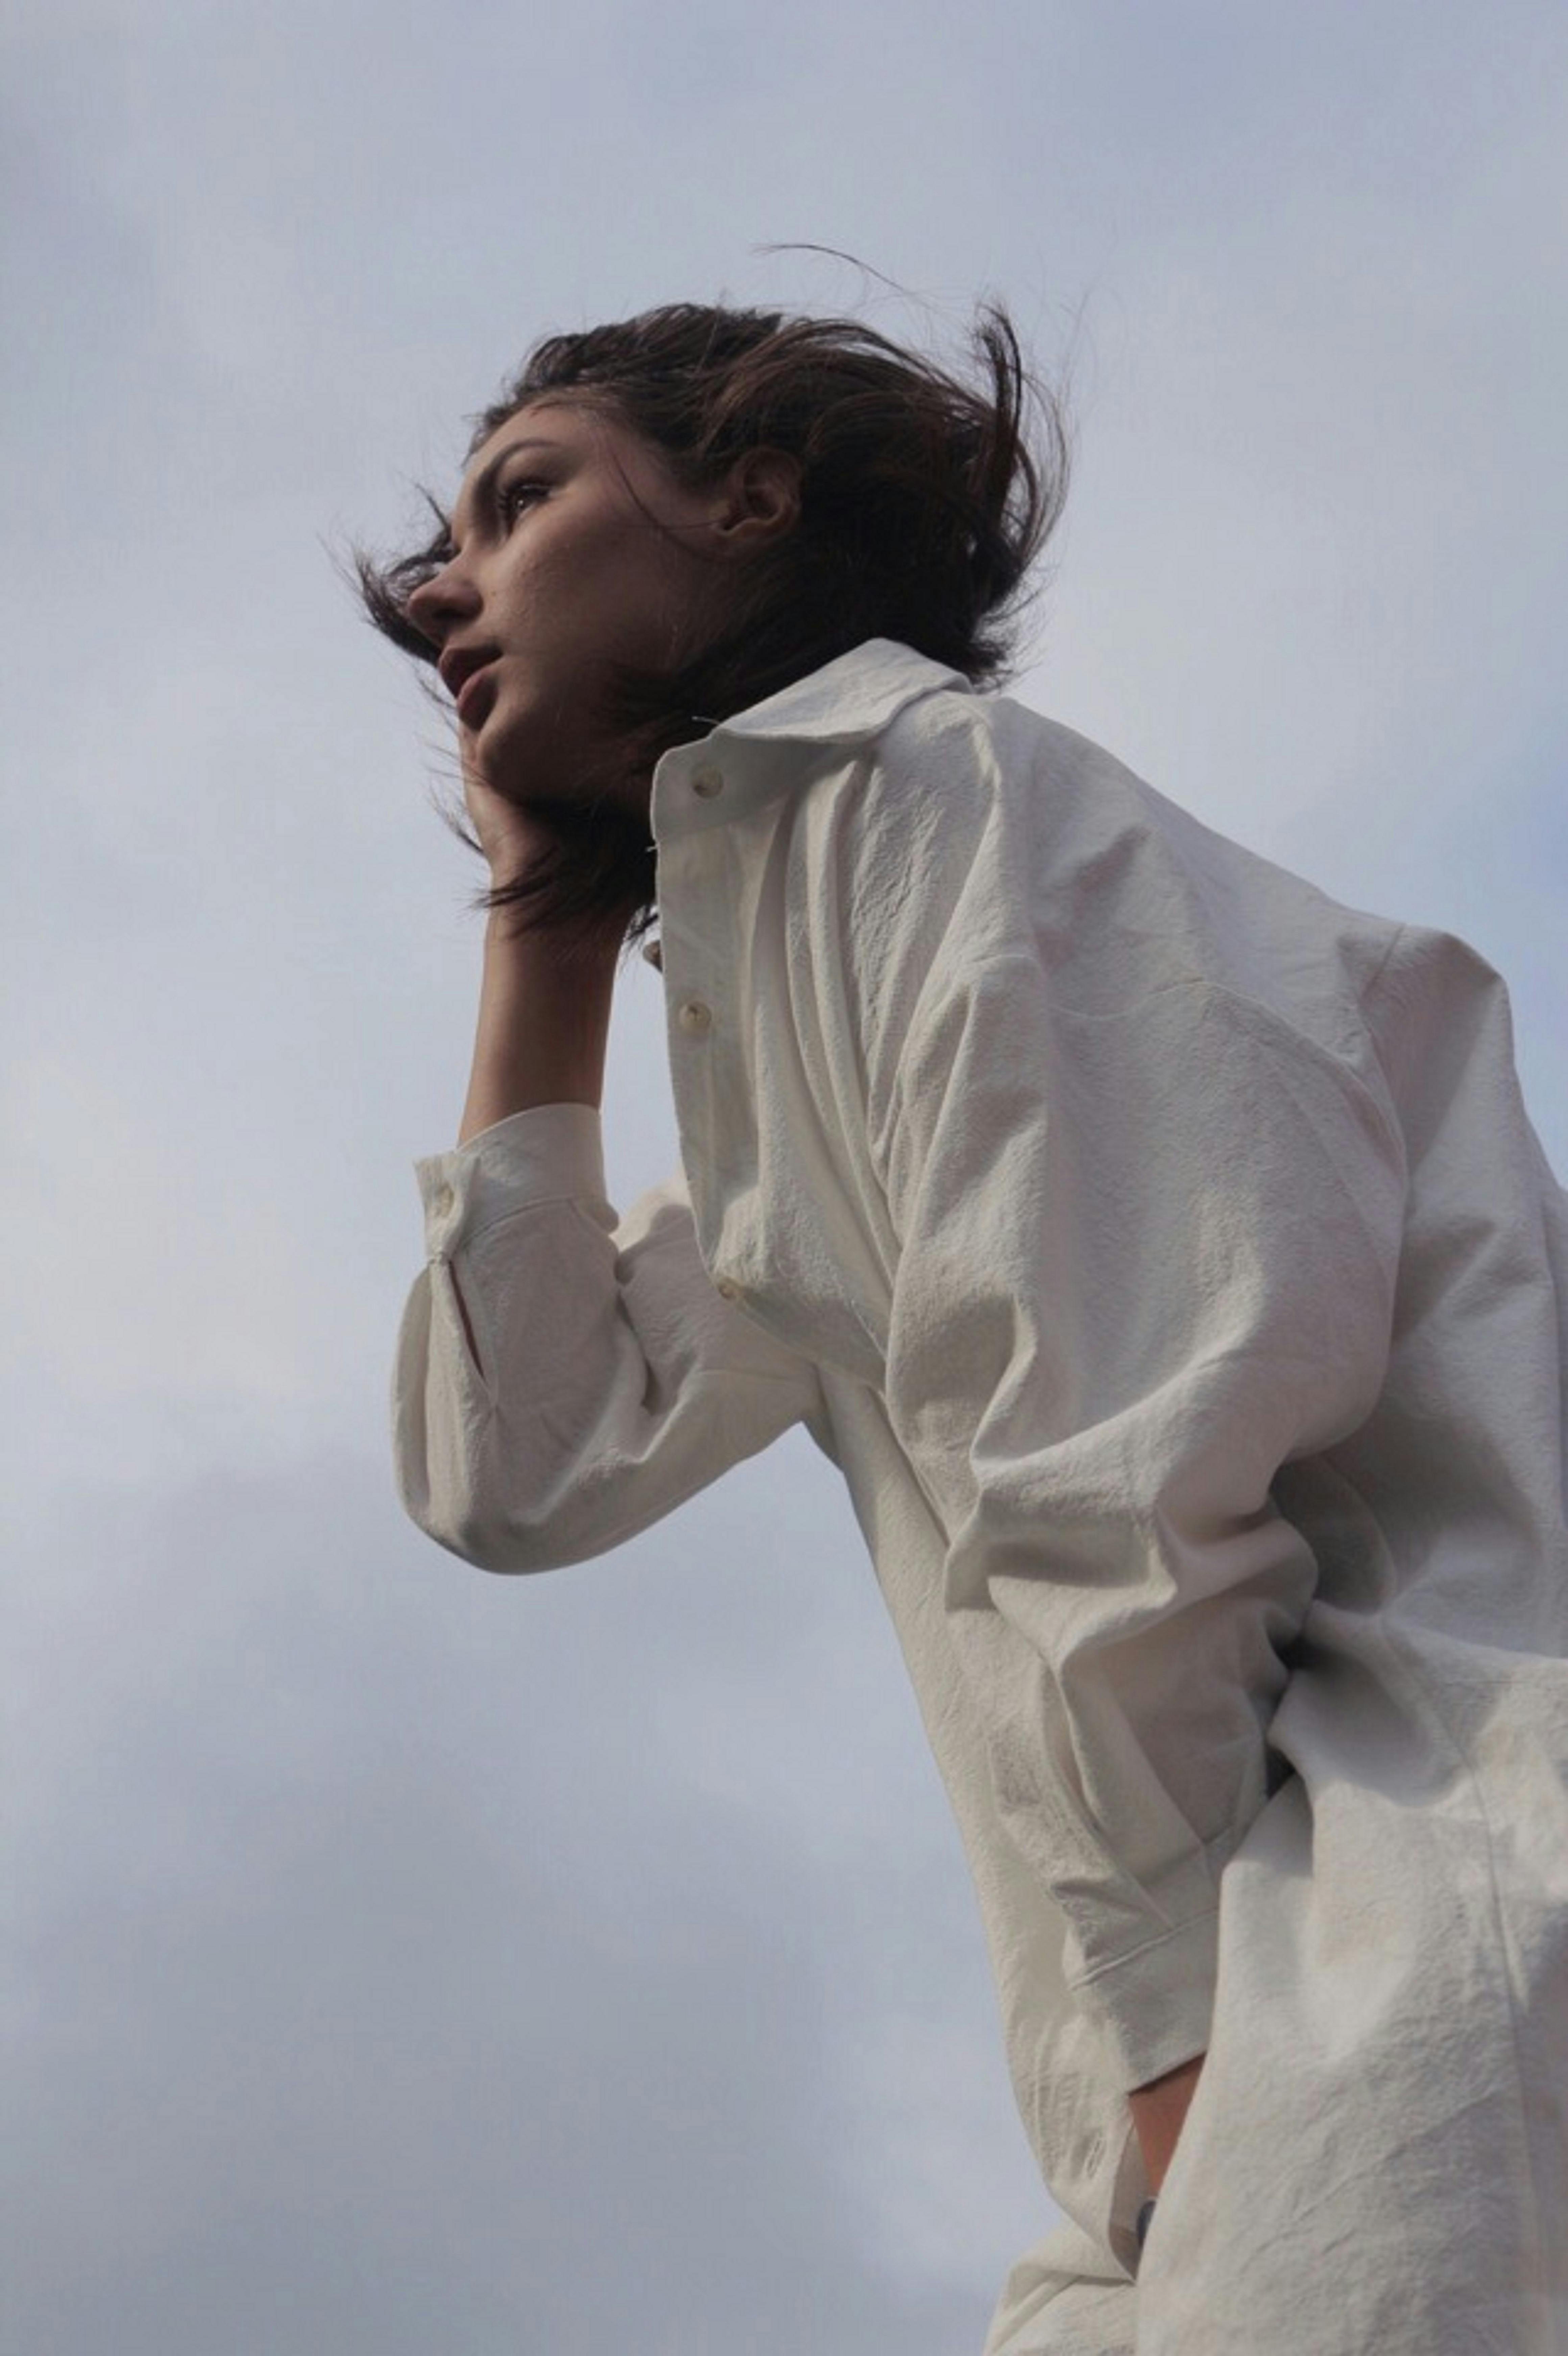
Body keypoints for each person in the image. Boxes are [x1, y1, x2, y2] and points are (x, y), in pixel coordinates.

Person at [358, 299, 1568, 2354]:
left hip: (1404, 1953)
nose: (450, 583)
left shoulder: (932, 802)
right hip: (1201, 2057)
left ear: (752, 495)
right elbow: (522, 1460)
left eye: (523, 493)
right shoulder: (792, 945)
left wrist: (1185, 2049)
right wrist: (545, 923)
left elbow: (1122, 1456)